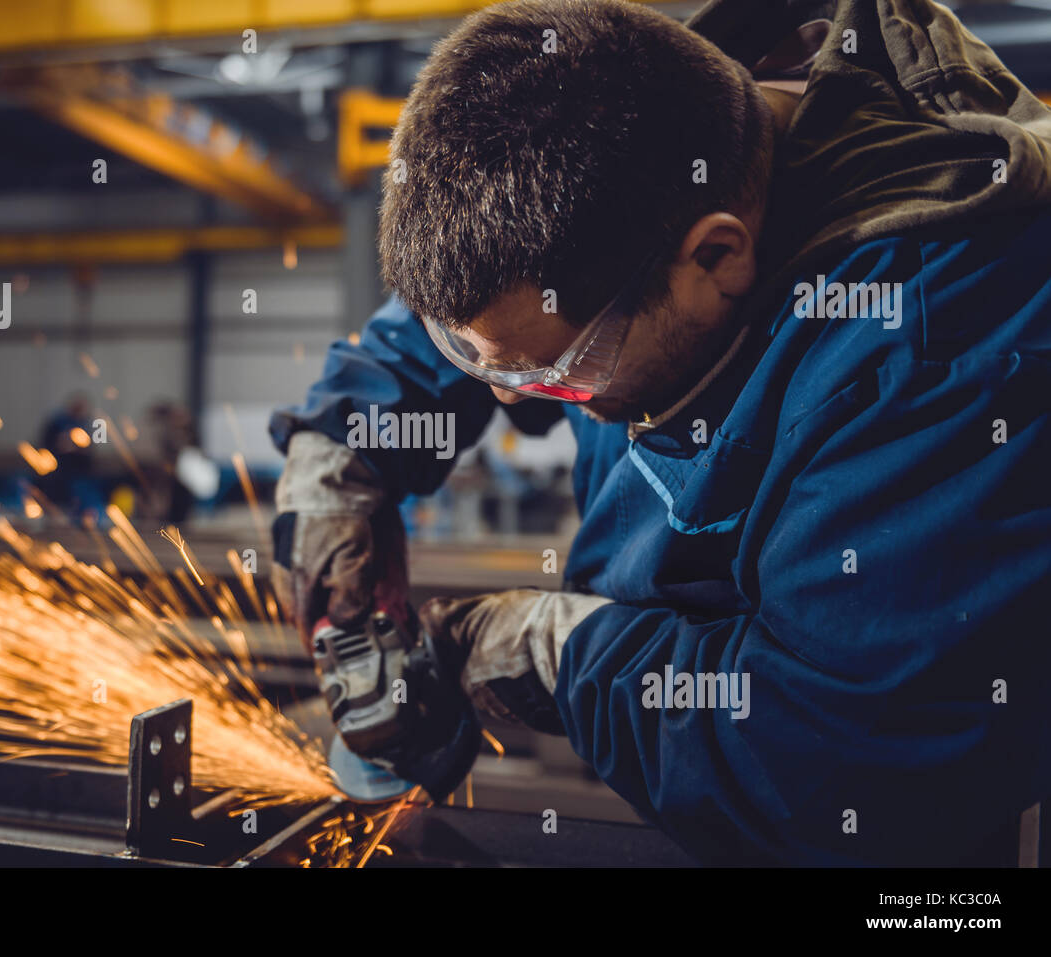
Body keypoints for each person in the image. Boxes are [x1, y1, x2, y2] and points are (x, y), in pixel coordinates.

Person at [269, 0, 1051, 864]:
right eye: (489, 368)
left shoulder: (944, 353)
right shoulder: (647, 131)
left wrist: (560, 651)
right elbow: (497, 306)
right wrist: (339, 456)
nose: (527, 405)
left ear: (717, 258)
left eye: (562, 374)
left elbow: (849, 761)